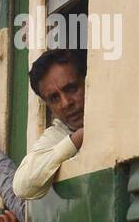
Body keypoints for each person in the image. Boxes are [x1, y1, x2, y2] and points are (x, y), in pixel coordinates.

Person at [13, 48, 87, 200]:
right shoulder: (59, 133)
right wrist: (76, 140)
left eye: (71, 89)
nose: (66, 103)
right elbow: (22, 186)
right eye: (54, 98)